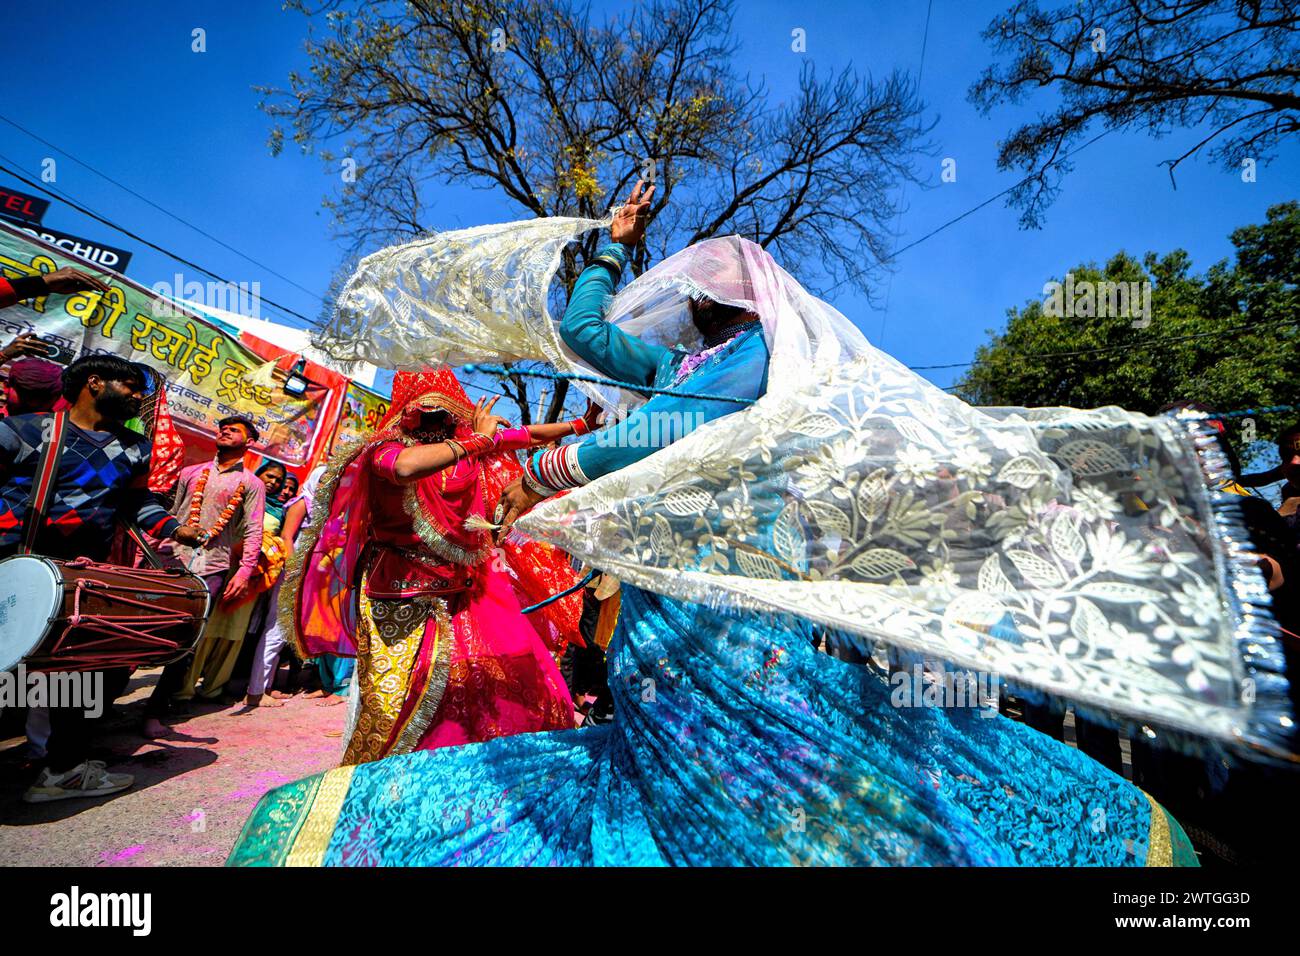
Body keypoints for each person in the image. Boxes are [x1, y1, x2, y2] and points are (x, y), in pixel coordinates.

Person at [230, 185, 1200, 866]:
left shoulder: (759, 359)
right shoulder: (689, 362)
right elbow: (594, 341)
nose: (681, 301)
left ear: (727, 298)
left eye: (695, 289)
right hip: (662, 583)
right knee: (656, 714)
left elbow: (671, 433)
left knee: (730, 726)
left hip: (722, 581)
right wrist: (609, 245)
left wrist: (546, 467)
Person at [276, 368, 590, 766]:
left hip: (462, 594)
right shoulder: (385, 449)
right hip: (399, 595)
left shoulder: (464, 444)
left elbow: (526, 436)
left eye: (445, 415)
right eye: (425, 413)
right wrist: (478, 440)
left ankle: (453, 773)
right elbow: (405, 468)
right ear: (405, 413)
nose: (436, 422)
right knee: (394, 702)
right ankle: (376, 782)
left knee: (470, 689)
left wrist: (582, 424)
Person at [0, 355, 202, 801]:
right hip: (13, 568)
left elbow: (136, 505)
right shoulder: (25, 430)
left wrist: (174, 528)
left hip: (79, 577)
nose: (136, 395)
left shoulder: (134, 448)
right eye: (129, 385)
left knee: (80, 672)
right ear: (94, 382)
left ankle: (63, 771)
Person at [142, 416, 265, 732]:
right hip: (171, 559)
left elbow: (253, 530)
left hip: (213, 567)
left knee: (186, 639)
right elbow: (172, 514)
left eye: (234, 429)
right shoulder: (190, 473)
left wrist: (245, 571)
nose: (224, 431)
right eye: (223, 427)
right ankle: (104, 705)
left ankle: (155, 711)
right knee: (144, 627)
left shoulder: (252, 483)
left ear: (249, 441)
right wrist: (151, 550)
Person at [241, 463, 316, 710]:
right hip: (292, 571)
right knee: (277, 629)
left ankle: (265, 686)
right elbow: (287, 536)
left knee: (282, 630)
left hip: (304, 572)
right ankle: (255, 692)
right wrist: (295, 572)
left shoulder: (321, 508)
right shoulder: (303, 501)